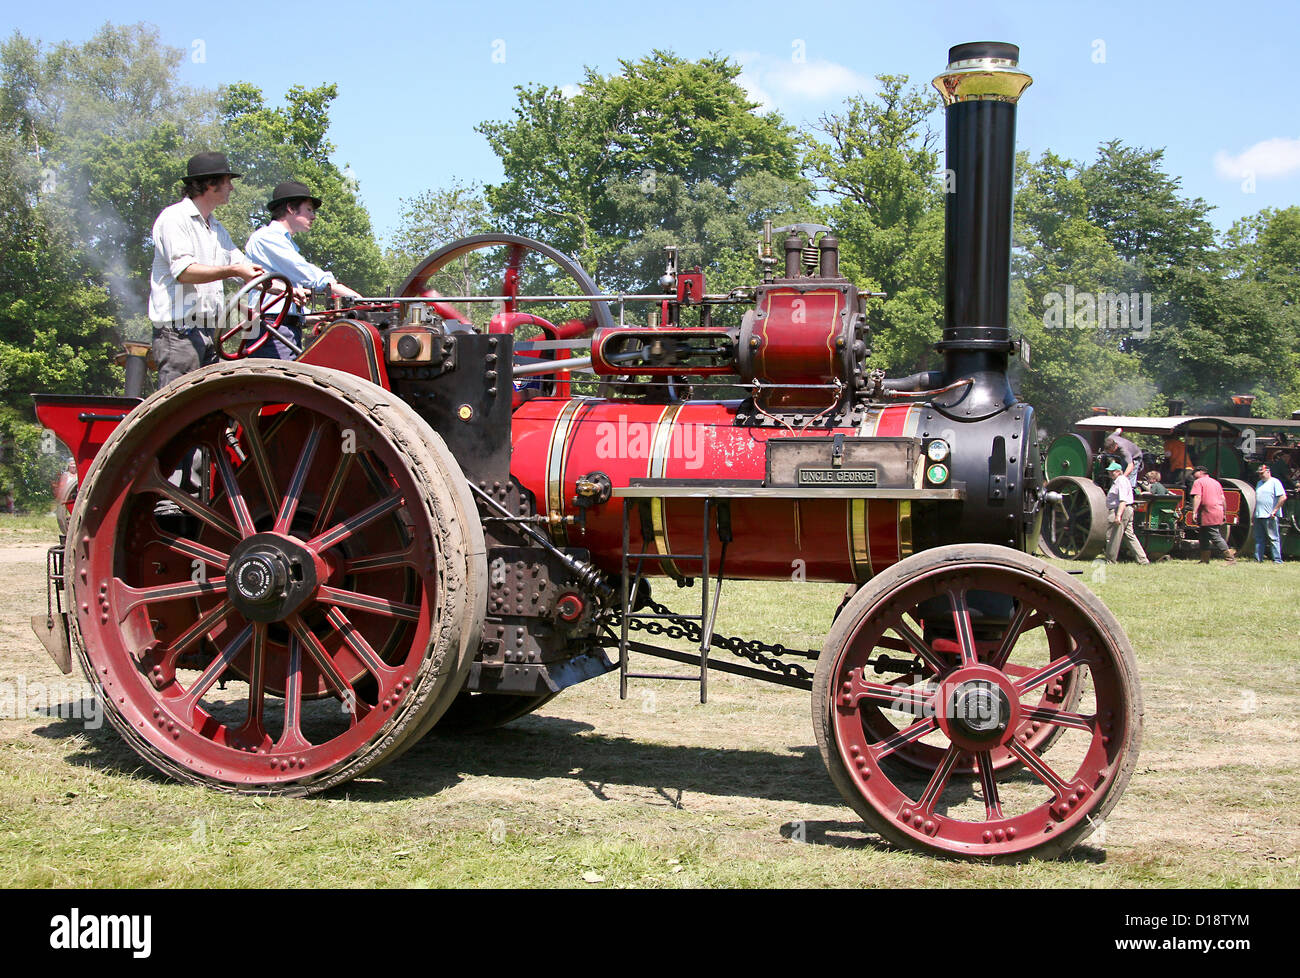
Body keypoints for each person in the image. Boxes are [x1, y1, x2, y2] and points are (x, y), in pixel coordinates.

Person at [149, 152, 263, 387]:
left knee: (207, 409)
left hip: (208, 331)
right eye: (227, 182)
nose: (231, 188)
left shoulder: (217, 229)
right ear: (210, 184)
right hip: (179, 333)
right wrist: (234, 271)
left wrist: (283, 288)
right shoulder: (174, 218)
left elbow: (245, 267)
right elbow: (184, 271)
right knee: (179, 408)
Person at [242, 180, 362, 359]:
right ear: (291, 208)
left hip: (284, 327)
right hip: (270, 330)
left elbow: (290, 298)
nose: (313, 216)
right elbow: (308, 274)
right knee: (282, 384)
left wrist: (316, 317)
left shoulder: (286, 243)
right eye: (309, 210)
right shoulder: (266, 238)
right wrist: (360, 300)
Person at [1105, 461, 1150, 565]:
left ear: (1118, 472)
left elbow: (1123, 500)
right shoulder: (1120, 481)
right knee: (1129, 535)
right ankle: (1143, 560)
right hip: (1126, 509)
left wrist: (1118, 515)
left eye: (1111, 471)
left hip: (1121, 509)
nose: (1109, 473)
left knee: (1113, 535)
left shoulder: (1121, 481)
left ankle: (1110, 560)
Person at [1189, 464, 1236, 564]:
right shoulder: (1216, 482)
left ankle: (1230, 558)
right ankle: (1205, 559)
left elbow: (1198, 497)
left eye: (1195, 473)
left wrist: (1194, 512)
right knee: (1203, 535)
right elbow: (1223, 498)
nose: (1193, 475)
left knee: (1214, 535)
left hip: (1208, 512)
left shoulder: (1198, 481)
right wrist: (1224, 513)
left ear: (1201, 472)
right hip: (1217, 510)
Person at [1253, 462, 1287, 564]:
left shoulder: (1275, 482)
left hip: (1270, 516)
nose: (1260, 475)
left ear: (1268, 472)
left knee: (1273, 538)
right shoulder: (1259, 483)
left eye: (1262, 473)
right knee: (1259, 538)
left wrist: (1274, 511)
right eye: (1259, 474)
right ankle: (1258, 559)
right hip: (1259, 515)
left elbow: (1283, 497)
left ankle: (1277, 560)